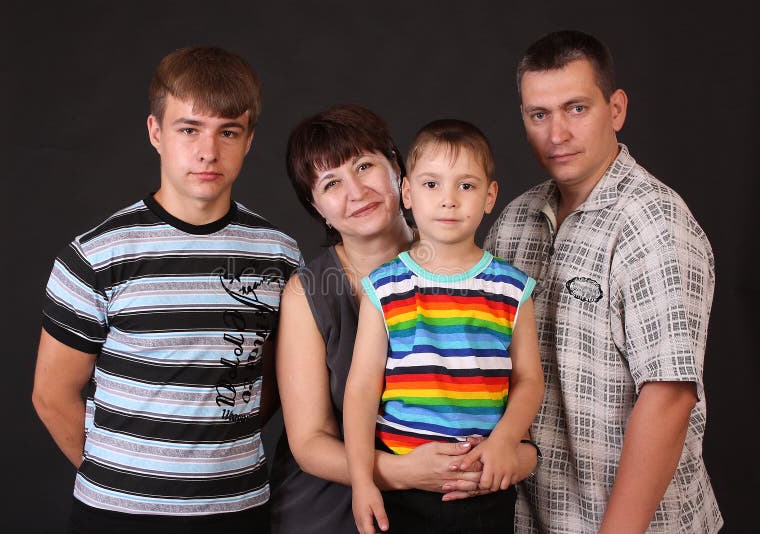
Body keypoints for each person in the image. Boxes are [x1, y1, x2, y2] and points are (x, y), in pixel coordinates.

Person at [31, 46, 300, 533]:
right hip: (118, 515)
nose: (208, 151)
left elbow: (278, 381)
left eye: (228, 132)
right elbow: (52, 394)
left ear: (249, 140)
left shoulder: (279, 256)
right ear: (156, 132)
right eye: (189, 129)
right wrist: (121, 479)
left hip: (239, 511)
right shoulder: (97, 254)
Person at [484, 30, 723, 533]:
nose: (556, 134)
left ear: (615, 109)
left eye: (576, 108)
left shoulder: (654, 222)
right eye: (538, 114)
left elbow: (669, 396)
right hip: (534, 515)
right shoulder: (514, 220)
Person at [270, 105, 541, 534]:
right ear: (316, 205)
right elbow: (309, 442)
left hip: (462, 497)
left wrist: (518, 452)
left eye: (364, 166)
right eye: (332, 183)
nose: (356, 191)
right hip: (333, 507)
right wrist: (403, 473)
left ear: (399, 172)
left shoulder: (468, 258)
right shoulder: (309, 292)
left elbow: (500, 395)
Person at [344, 119, 544, 534]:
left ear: (490, 196)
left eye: (466, 186)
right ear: (408, 193)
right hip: (404, 488)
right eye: (432, 185)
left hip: (483, 483)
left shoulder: (512, 288)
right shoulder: (384, 287)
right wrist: (362, 482)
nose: (449, 200)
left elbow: (529, 379)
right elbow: (362, 389)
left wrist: (506, 440)